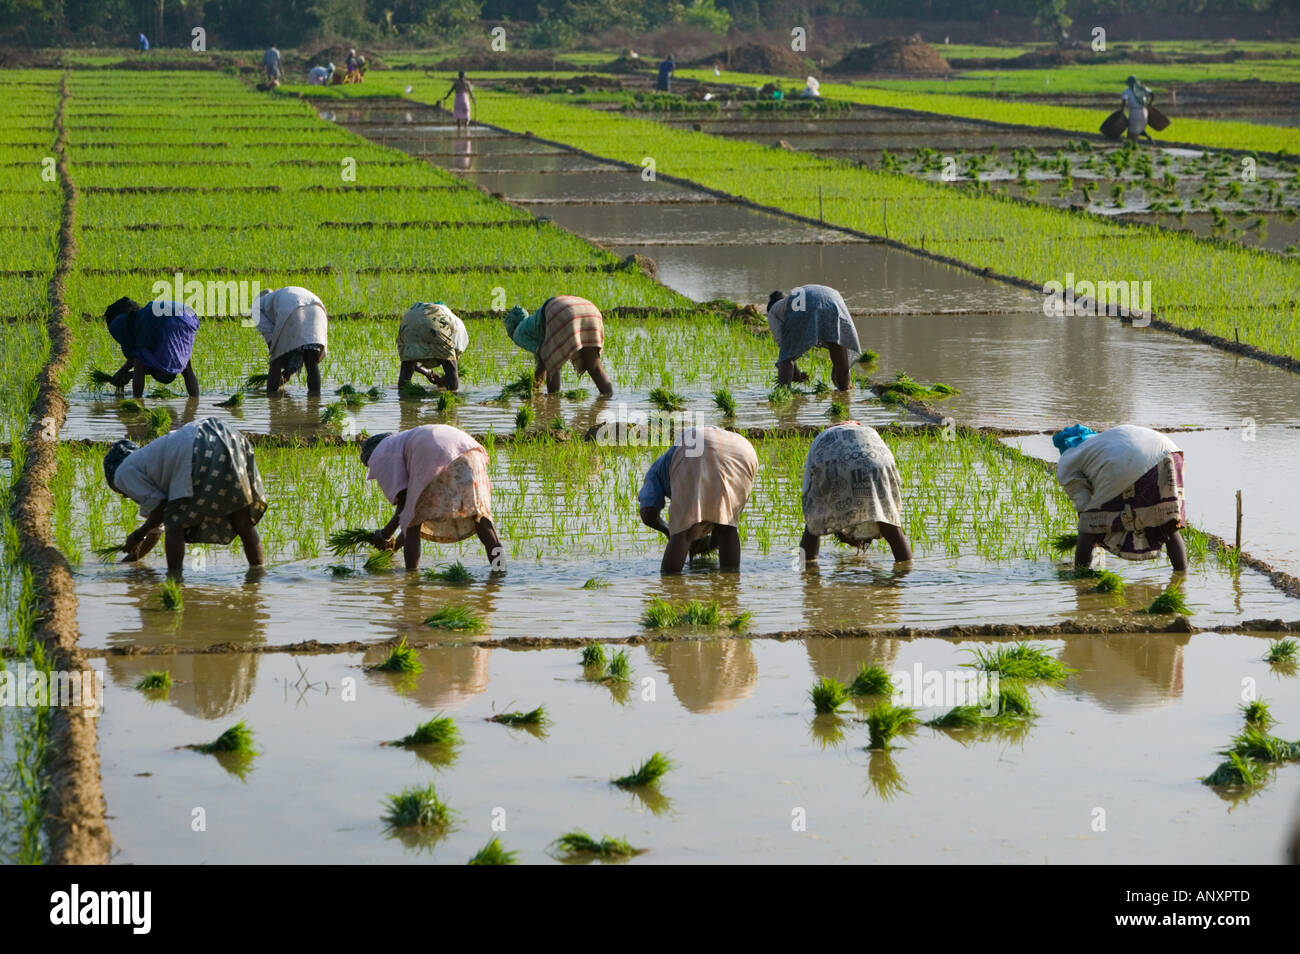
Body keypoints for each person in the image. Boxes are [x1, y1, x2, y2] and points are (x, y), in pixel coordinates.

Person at [103, 418, 266, 575]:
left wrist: (137, 535)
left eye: (117, 490)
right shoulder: (152, 461)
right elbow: (156, 530)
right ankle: (258, 575)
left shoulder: (122, 472)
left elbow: (161, 510)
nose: (123, 495)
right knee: (242, 520)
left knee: (175, 523)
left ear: (112, 473)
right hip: (228, 435)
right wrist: (128, 562)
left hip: (196, 444)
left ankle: (175, 580)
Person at [360, 425, 503, 571]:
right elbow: (414, 513)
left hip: (439, 456)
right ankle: (500, 570)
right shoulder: (404, 441)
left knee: (412, 526)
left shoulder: (381, 453)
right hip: (471, 454)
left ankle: (411, 581)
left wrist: (384, 535)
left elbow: (405, 508)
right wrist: (393, 547)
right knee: (482, 521)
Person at [1054, 423, 1187, 570]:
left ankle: (1080, 576)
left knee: (1087, 526)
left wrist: (1092, 532)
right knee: (1168, 524)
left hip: (1129, 461)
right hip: (1171, 453)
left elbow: (1083, 506)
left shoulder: (1067, 461)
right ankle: (1181, 577)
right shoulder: (1101, 442)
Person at [638, 425, 758, 574]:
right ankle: (729, 585)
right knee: (727, 528)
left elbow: (648, 512)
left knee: (685, 532)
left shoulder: (658, 468)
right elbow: (720, 521)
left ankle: (671, 586)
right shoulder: (673, 464)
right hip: (743, 449)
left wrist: (670, 531)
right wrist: (709, 543)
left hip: (696, 445)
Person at [799, 421, 912, 563]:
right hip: (878, 462)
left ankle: (808, 570)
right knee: (891, 528)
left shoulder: (822, 438)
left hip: (831, 462)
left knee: (812, 526)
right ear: (855, 424)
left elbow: (808, 489)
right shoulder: (869, 432)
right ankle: (905, 570)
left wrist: (813, 518)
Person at [504, 295, 613, 395]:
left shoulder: (518, 332)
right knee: (595, 367)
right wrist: (536, 385)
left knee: (552, 364)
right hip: (590, 310)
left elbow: (544, 355)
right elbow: (542, 359)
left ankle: (553, 404)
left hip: (562, 311)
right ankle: (608, 398)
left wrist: (533, 387)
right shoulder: (532, 322)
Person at [766, 284, 862, 391]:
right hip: (833, 298)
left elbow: (787, 352)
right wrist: (797, 375)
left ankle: (784, 395)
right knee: (837, 344)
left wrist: (796, 376)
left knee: (785, 358)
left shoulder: (773, 312)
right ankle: (844, 392)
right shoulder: (789, 300)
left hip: (807, 304)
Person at [103, 297, 200, 399]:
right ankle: (195, 401)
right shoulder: (146, 322)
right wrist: (127, 375)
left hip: (171, 318)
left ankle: (137, 401)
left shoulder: (123, 324)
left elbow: (135, 359)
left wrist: (120, 374)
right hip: (189, 317)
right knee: (186, 366)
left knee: (140, 364)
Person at [252, 286, 328, 395]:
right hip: (317, 309)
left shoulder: (255, 307)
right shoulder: (279, 296)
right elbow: (298, 346)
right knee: (311, 360)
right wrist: (288, 372)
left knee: (276, 361)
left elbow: (270, 336)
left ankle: (272, 400)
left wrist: (275, 352)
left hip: (292, 310)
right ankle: (315, 401)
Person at [398, 301, 467, 392]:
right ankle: (452, 398)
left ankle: (404, 400)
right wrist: (450, 376)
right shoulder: (456, 323)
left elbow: (412, 359)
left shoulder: (422, 312)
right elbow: (452, 362)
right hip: (438, 322)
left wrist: (428, 373)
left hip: (409, 321)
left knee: (406, 368)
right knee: (451, 370)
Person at [1121, 75, 1153, 142]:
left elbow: (1124, 100)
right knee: (1140, 129)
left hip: (1135, 112)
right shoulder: (1142, 88)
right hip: (1144, 112)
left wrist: (1121, 111)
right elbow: (1152, 94)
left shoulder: (1128, 91)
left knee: (1131, 133)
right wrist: (1150, 103)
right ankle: (1148, 137)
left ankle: (1131, 146)